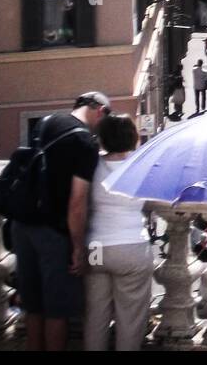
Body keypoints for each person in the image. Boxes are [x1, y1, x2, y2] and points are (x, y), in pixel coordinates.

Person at [11, 93, 105, 351]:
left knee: (33, 306)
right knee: (56, 310)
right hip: (53, 232)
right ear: (99, 111)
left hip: (23, 225)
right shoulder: (85, 142)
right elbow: (77, 202)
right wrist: (77, 247)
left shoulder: (45, 122)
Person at [83, 114, 153, 351]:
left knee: (95, 314)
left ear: (102, 139)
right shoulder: (141, 164)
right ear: (133, 138)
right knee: (130, 319)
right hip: (132, 246)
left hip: (95, 248)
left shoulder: (91, 164)